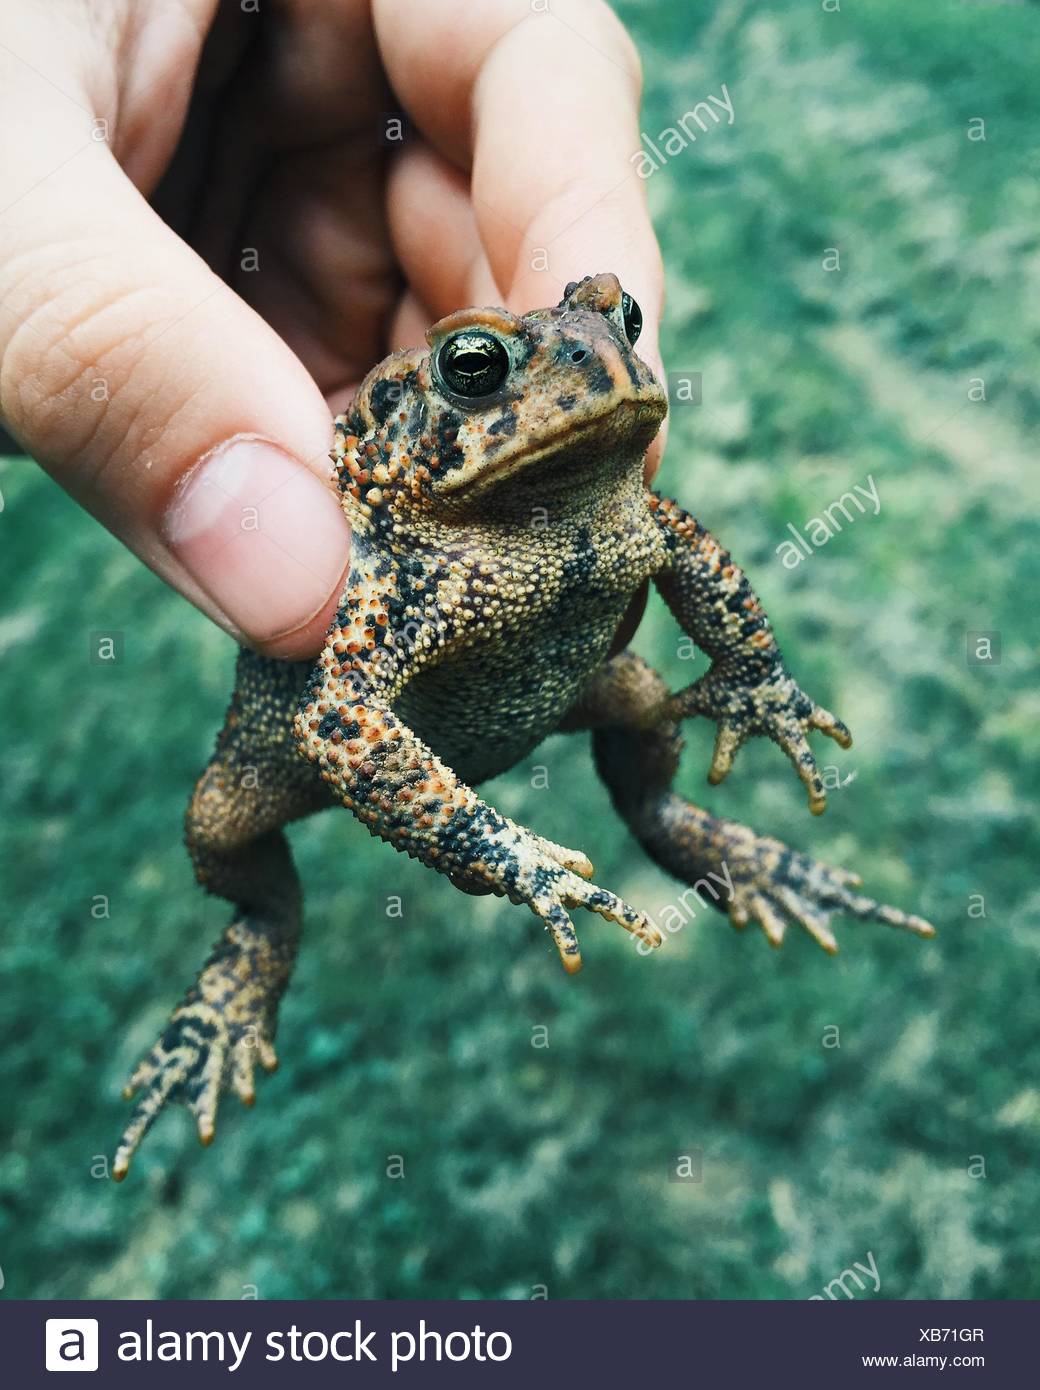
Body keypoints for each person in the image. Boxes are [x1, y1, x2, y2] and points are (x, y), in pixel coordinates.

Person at [0, 0, 664, 658]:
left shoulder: (617, 517)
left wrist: (751, 676)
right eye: (476, 367)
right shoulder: (391, 578)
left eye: (622, 324)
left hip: (546, 663)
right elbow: (341, 719)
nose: (596, 359)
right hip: (313, 751)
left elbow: (693, 559)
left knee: (633, 701)